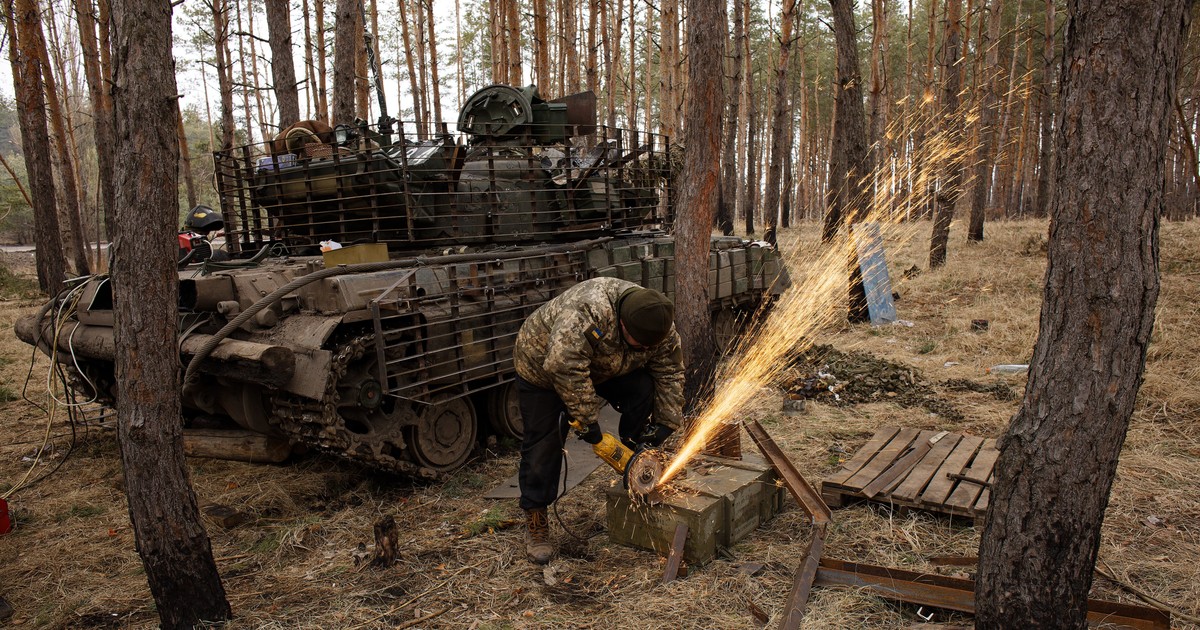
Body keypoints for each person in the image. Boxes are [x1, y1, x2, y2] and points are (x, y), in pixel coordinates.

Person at [512, 277, 684, 564]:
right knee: (544, 442)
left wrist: (667, 422)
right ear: (623, 325)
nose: (644, 349)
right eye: (638, 344)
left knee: (643, 388)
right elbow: (562, 365)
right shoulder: (586, 311)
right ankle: (536, 517)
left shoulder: (657, 323)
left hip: (599, 365)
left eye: (647, 347)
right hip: (543, 368)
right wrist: (588, 421)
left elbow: (670, 371)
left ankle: (636, 463)